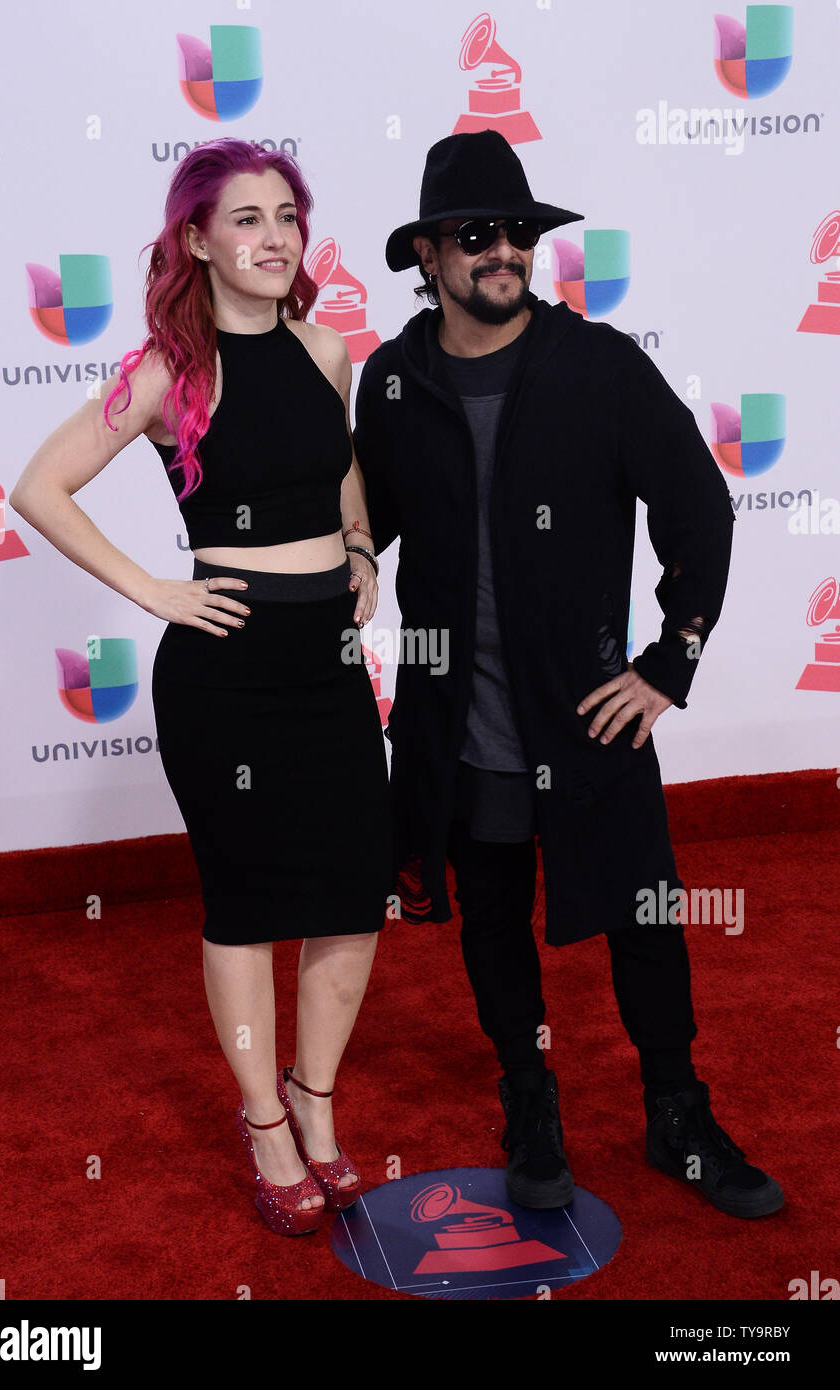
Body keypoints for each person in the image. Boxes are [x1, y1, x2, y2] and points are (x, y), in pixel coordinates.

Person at [353, 130, 783, 1220]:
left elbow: (699, 507)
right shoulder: (392, 382)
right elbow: (375, 525)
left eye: (516, 233)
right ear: (429, 255)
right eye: (475, 236)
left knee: (644, 915)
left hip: (586, 716)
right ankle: (528, 1100)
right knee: (491, 913)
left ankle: (674, 1113)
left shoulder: (597, 366)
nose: (502, 252)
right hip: (459, 717)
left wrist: (662, 666)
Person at [9, 138, 392, 1237]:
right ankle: (264, 1122)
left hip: (325, 659)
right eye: (246, 220)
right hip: (225, 670)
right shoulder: (169, 371)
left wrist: (360, 549)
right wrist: (154, 591)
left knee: (353, 889)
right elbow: (41, 485)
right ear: (196, 241)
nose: (273, 238)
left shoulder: (328, 351)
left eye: (287, 217)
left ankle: (318, 1108)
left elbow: (341, 469)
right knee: (248, 901)